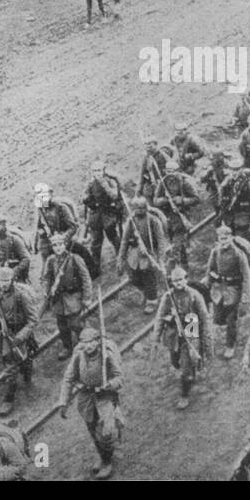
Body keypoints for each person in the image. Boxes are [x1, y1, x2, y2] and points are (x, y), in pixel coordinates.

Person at [57, 326, 124, 479]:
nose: (89, 346)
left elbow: (120, 378)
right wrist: (63, 402)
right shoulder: (78, 355)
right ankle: (103, 456)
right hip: (86, 397)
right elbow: (68, 378)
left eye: (92, 342)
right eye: (85, 343)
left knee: (105, 433)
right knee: (92, 429)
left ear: (98, 341)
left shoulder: (107, 355)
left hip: (105, 396)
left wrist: (109, 385)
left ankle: (108, 462)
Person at [0, 266, 38, 415]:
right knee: (10, 368)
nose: (3, 283)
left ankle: (27, 370)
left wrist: (21, 337)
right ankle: (9, 398)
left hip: (20, 334)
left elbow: (33, 319)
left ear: (12, 279)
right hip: (5, 336)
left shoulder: (20, 295)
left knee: (25, 360)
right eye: (1, 280)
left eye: (6, 280)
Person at [151, 267, 210, 410]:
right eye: (175, 280)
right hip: (173, 334)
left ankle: (184, 393)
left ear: (186, 279)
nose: (178, 283)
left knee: (185, 368)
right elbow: (159, 318)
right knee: (175, 362)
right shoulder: (168, 297)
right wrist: (156, 340)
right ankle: (190, 370)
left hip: (191, 330)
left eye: (180, 279)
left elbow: (204, 318)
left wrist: (206, 344)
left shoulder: (195, 295)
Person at [41, 233, 94, 359]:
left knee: (76, 324)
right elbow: (46, 278)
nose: (58, 247)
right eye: (54, 245)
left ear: (65, 245)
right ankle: (67, 347)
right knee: (62, 326)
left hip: (73, 296)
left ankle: (86, 344)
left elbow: (86, 278)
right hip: (58, 299)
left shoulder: (75, 258)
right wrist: (46, 290)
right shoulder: (51, 260)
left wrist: (87, 298)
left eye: (60, 244)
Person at [205, 225, 250, 358]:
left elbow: (247, 276)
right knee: (218, 318)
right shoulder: (215, 252)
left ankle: (230, 346)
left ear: (231, 237)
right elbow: (209, 269)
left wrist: (245, 296)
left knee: (231, 319)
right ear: (218, 239)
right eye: (221, 239)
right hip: (218, 288)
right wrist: (206, 286)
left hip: (233, 289)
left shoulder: (238, 254)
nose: (224, 241)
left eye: (226, 238)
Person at [118, 196, 168, 313]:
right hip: (135, 252)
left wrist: (160, 258)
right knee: (133, 277)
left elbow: (161, 241)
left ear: (146, 207)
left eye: (142, 208)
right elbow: (124, 241)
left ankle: (152, 300)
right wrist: (121, 258)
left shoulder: (153, 220)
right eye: (137, 208)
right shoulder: (131, 221)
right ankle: (146, 292)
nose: (140, 210)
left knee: (148, 276)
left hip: (150, 251)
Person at [154, 157, 200, 267]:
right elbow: (155, 200)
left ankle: (177, 269)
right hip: (168, 217)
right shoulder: (163, 182)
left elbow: (196, 199)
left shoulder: (184, 182)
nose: (170, 174)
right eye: (168, 171)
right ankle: (184, 265)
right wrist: (165, 200)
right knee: (176, 243)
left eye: (172, 171)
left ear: (178, 171)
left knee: (176, 245)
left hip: (181, 215)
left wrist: (182, 200)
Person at [81, 160, 123, 269]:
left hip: (108, 212)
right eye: (94, 171)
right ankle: (95, 265)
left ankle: (121, 255)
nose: (97, 173)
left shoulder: (109, 181)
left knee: (112, 235)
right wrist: (86, 198)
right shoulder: (90, 184)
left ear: (103, 171)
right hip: (95, 214)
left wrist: (104, 184)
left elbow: (114, 195)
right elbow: (84, 197)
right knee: (95, 241)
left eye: (99, 170)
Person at [0, 214, 32, 287]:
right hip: (0, 272)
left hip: (15, 274)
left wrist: (14, 271)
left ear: (4, 225)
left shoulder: (14, 239)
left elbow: (26, 259)